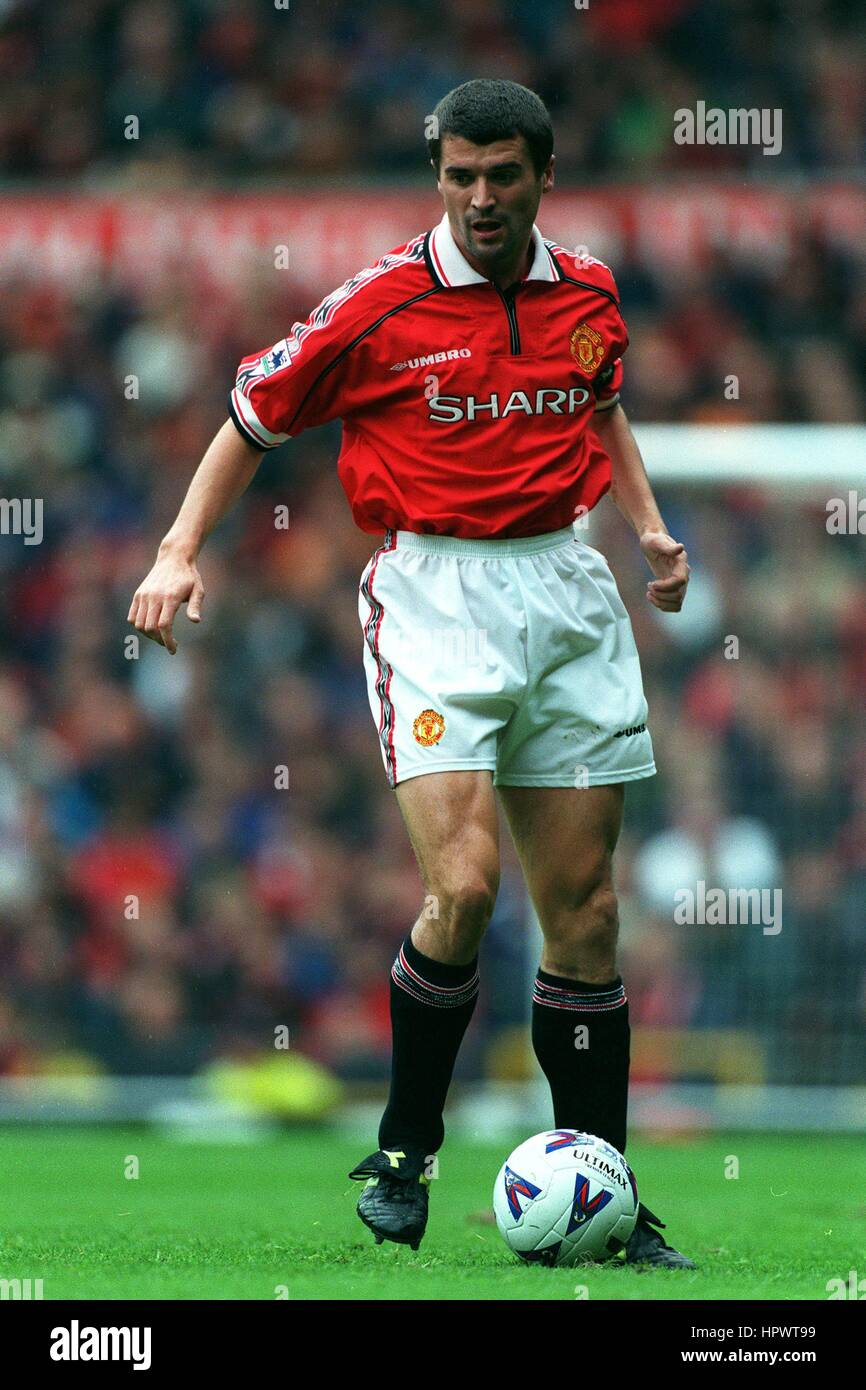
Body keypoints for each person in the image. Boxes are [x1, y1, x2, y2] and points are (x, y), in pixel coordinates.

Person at [128, 79, 692, 1267]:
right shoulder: (375, 307)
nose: (479, 197)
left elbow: (601, 408)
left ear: (542, 173)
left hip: (566, 587)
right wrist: (179, 554)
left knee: (585, 913)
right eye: (458, 175)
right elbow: (250, 417)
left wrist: (642, 527)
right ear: (437, 175)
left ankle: (609, 1194)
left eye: (501, 175)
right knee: (467, 885)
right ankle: (403, 1149)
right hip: (433, 596)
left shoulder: (589, 291)